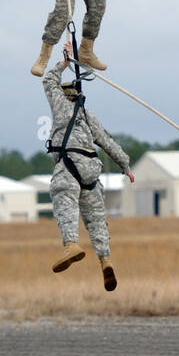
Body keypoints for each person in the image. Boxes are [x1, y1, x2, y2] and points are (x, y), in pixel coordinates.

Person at [42, 42, 134, 290]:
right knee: (95, 218)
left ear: (64, 95)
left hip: (69, 163)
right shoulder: (89, 116)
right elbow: (108, 142)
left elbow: (48, 80)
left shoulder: (60, 106)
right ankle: (105, 259)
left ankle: (71, 244)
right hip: (92, 168)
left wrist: (63, 63)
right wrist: (126, 167)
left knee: (64, 198)